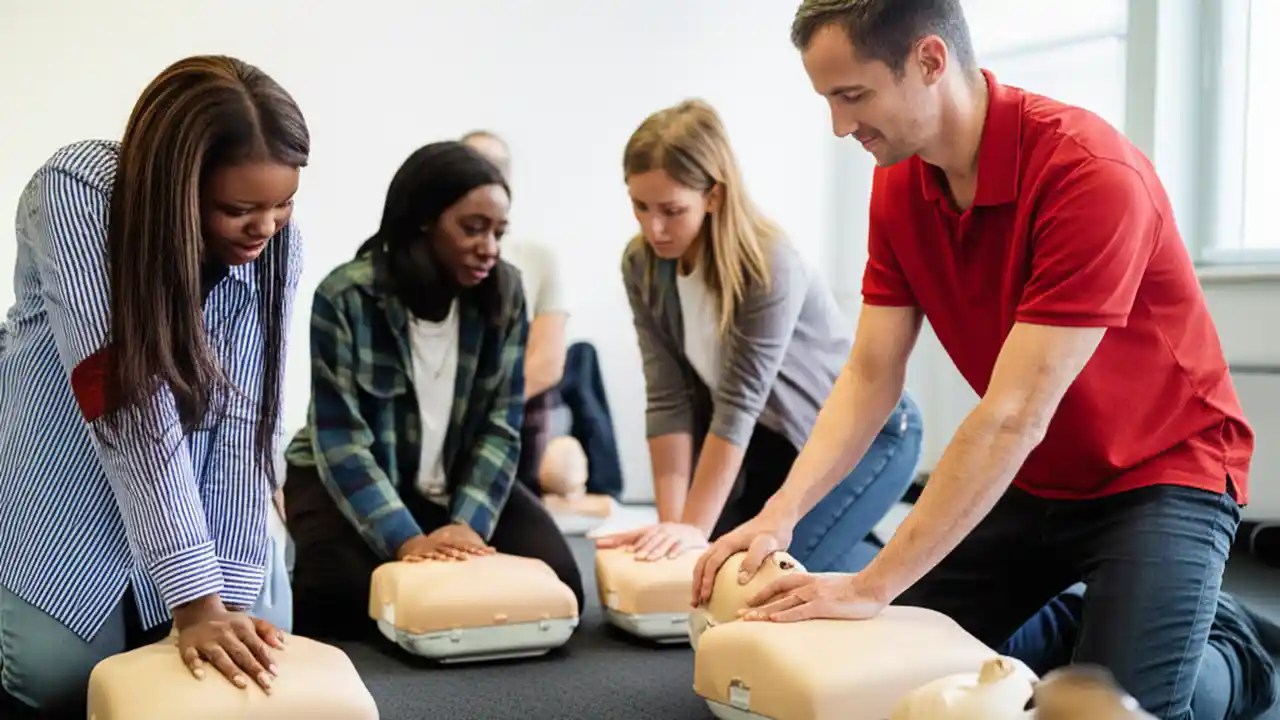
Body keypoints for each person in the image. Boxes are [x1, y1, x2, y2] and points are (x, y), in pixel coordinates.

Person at [693, 2, 1278, 719]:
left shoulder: (1090, 174)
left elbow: (1011, 415)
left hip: (1161, 472)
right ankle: (1087, 622)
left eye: (854, 96)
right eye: (829, 100)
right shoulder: (899, 182)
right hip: (1039, 477)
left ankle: (1239, 657)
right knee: (892, 662)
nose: (841, 127)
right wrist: (779, 515)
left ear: (930, 63)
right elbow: (872, 374)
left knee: (1109, 706)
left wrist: (873, 582)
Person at [0, 55, 307, 716]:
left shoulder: (276, 237)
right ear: (177, 189)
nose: (266, 227)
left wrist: (227, 598)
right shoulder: (78, 192)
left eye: (283, 204)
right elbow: (124, 403)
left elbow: (252, 420)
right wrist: (195, 600)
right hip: (64, 461)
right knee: (60, 683)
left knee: (265, 642)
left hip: (194, 473)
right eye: (237, 209)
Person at [597, 99, 923, 571]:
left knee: (767, 575)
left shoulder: (768, 264)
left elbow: (738, 406)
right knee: (720, 563)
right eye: (640, 207)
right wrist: (676, 530)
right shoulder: (641, 264)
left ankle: (925, 588)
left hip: (869, 433)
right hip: (770, 443)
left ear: (713, 195)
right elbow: (666, 398)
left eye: (671, 210)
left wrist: (692, 529)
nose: (654, 228)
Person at [282, 141, 585, 640]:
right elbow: (340, 443)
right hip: (348, 479)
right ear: (424, 219)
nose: (490, 247)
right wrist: (406, 540)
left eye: (498, 232)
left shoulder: (506, 294)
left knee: (562, 585)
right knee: (338, 602)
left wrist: (467, 527)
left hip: (458, 480)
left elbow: (500, 428)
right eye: (473, 228)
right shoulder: (345, 297)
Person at [459, 130, 576, 497]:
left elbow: (547, 364)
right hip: (451, 419)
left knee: (564, 470)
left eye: (496, 168)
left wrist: (480, 411)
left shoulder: (536, 260)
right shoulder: (438, 259)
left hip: (519, 414)